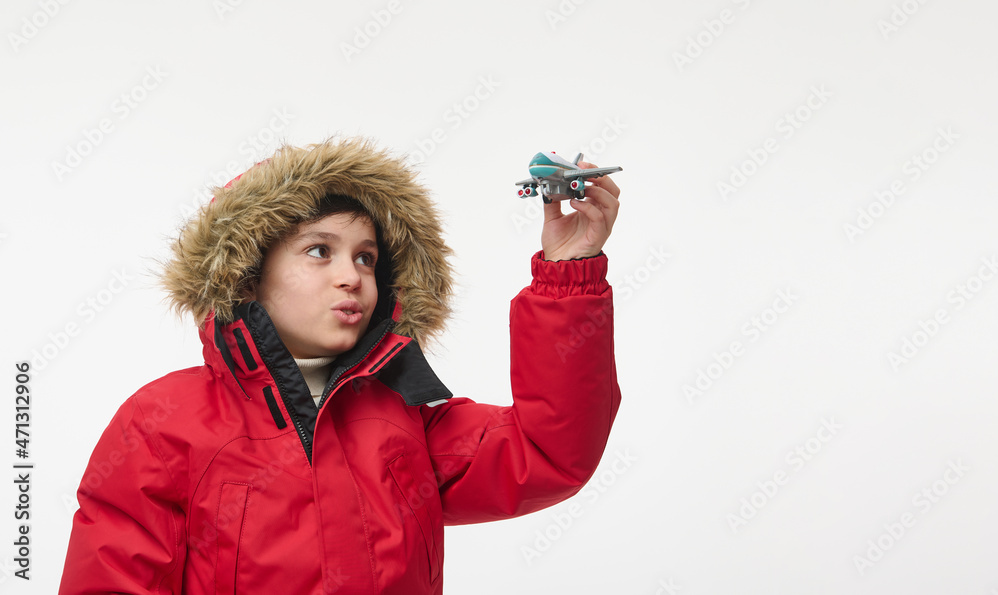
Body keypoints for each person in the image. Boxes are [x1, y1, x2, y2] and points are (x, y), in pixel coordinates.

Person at [59, 137, 622, 594]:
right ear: (250, 273)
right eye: (318, 250)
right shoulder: (161, 425)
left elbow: (550, 452)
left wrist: (568, 275)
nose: (352, 276)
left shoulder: (407, 421)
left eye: (367, 258)